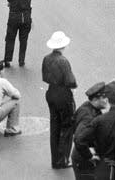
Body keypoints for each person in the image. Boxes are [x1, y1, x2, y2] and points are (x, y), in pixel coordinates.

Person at [42, 30, 77, 169]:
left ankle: (55, 159)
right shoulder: (63, 61)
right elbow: (71, 80)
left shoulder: (46, 58)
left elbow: (44, 77)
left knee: (55, 126)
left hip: (51, 92)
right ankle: (63, 159)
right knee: (67, 126)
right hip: (63, 94)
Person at [71, 82, 108, 180]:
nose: (107, 100)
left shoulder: (87, 106)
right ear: (95, 99)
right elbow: (79, 139)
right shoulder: (89, 118)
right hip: (84, 161)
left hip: (81, 155)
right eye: (104, 98)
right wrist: (89, 156)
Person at [4, 0, 32, 67]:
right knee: (23, 40)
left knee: (10, 38)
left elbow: (9, 2)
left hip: (13, 18)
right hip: (25, 18)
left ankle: (7, 59)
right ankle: (21, 60)